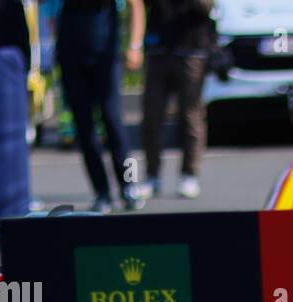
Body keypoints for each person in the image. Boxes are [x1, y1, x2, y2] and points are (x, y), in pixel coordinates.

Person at [57, 0, 145, 212]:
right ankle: (101, 192)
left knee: (112, 120)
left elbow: (136, 5)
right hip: (71, 52)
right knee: (84, 127)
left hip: (105, 53)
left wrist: (134, 45)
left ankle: (129, 185)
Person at [129, 0, 215, 199]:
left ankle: (189, 174)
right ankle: (152, 176)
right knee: (151, 116)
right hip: (158, 46)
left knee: (190, 115)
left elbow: (208, 7)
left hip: (192, 48)